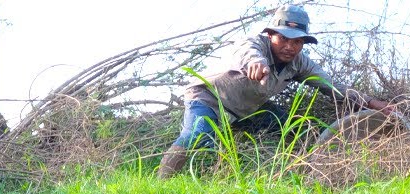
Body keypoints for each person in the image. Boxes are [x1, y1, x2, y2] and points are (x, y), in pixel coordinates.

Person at [158, 5, 395, 178]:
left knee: (300, 129)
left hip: (249, 108)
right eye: (283, 39)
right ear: (270, 35)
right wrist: (256, 63)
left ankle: (310, 175)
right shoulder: (253, 44)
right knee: (198, 136)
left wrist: (371, 102)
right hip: (208, 98)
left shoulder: (300, 63)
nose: (290, 47)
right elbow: (248, 52)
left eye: (297, 42)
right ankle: (162, 184)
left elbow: (333, 87)